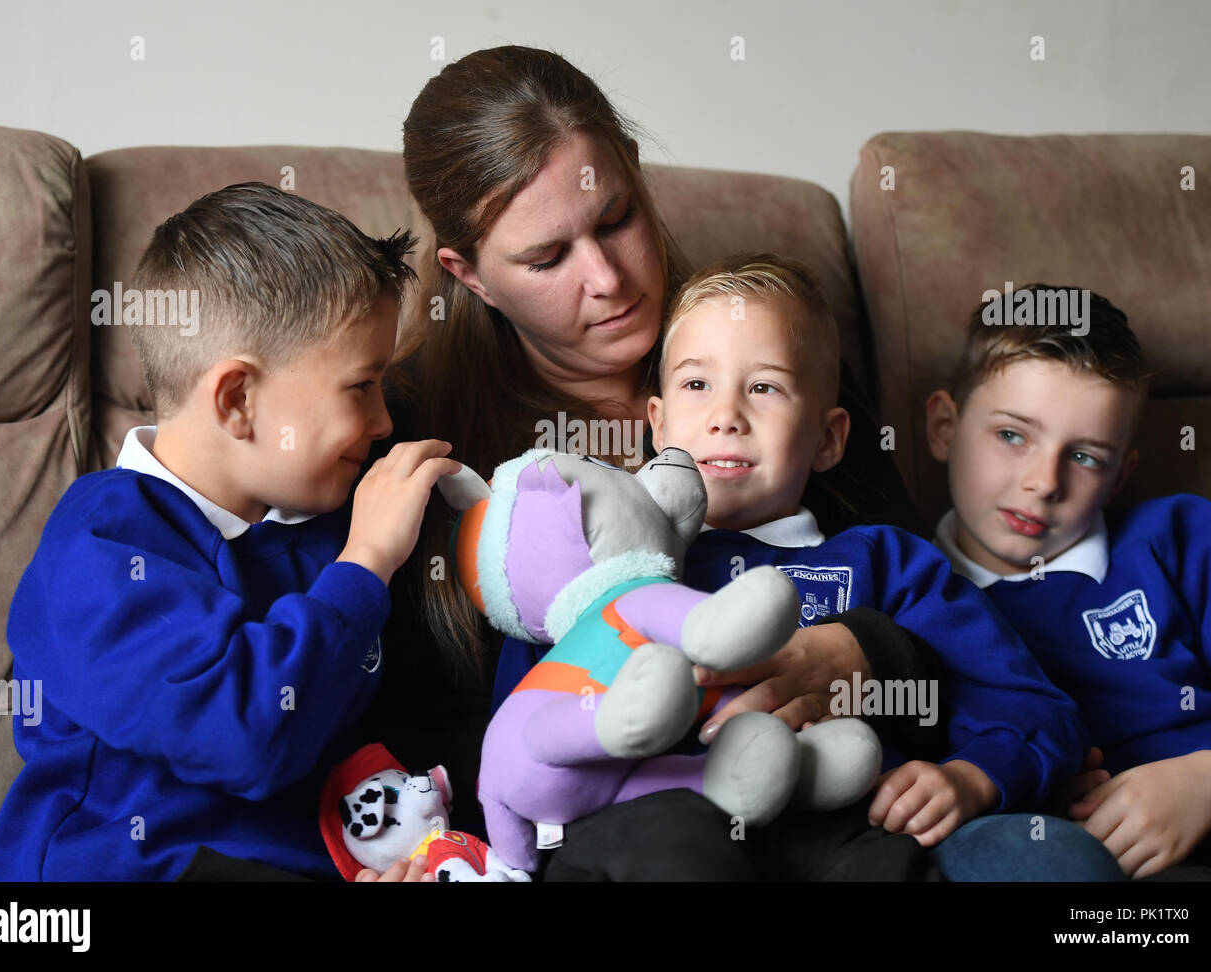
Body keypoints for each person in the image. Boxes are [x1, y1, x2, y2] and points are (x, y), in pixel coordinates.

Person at [367, 45, 949, 879]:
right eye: (547, 258)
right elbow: (409, 723)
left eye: (615, 220)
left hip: (818, 795)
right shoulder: (415, 432)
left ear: (636, 173)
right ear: (470, 276)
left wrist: (861, 654)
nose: (606, 278)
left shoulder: (761, 350)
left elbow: (939, 603)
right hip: (610, 829)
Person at [0, 183, 457, 881]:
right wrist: (365, 564)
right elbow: (249, 736)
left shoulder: (321, 517)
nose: (384, 420)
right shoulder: (104, 546)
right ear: (238, 400)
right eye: (361, 387)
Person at [634, 252, 1120, 879]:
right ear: (657, 421)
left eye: (764, 387)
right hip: (690, 836)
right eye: (697, 385)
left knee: (1057, 860)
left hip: (872, 836)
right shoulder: (626, 558)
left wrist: (971, 780)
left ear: (829, 438)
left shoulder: (886, 561)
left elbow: (1034, 706)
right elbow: (541, 698)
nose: (726, 415)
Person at [927, 283, 1211, 879]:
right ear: (944, 426)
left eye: (1086, 457)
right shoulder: (911, 592)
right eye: (1012, 435)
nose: (1045, 482)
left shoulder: (1183, 538)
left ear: (1120, 477)